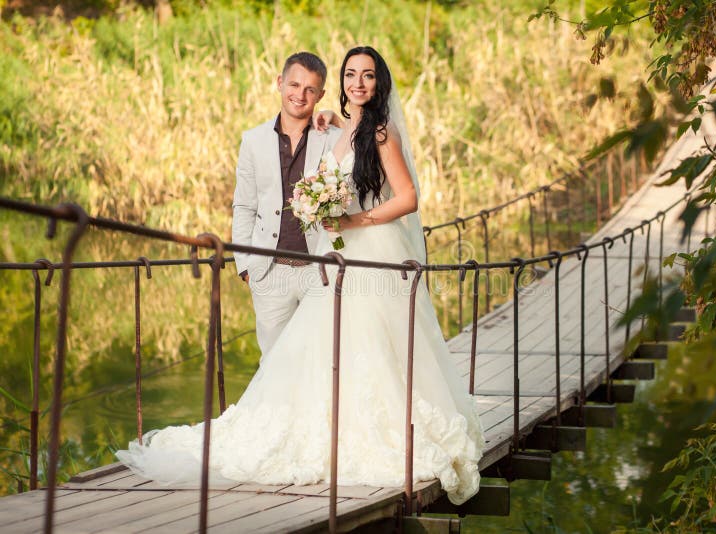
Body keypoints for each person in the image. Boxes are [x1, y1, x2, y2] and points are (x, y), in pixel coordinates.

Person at [116, 46, 484, 506]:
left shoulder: (379, 133)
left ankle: (368, 433)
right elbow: (253, 201)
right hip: (329, 255)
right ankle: (320, 431)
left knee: (373, 344)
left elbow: (407, 198)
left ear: (378, 82)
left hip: (361, 252)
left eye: (367, 76)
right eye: (352, 75)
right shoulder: (338, 130)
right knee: (317, 351)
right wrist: (251, 262)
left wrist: (355, 221)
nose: (359, 83)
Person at [231, 51, 341, 358]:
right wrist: (246, 267)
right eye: (294, 84)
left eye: (310, 89)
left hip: (319, 270)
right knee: (274, 363)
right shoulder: (252, 141)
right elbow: (243, 206)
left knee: (322, 359)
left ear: (321, 94)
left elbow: (368, 141)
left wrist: (337, 118)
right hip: (269, 271)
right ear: (280, 83)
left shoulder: (332, 138)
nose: (300, 95)